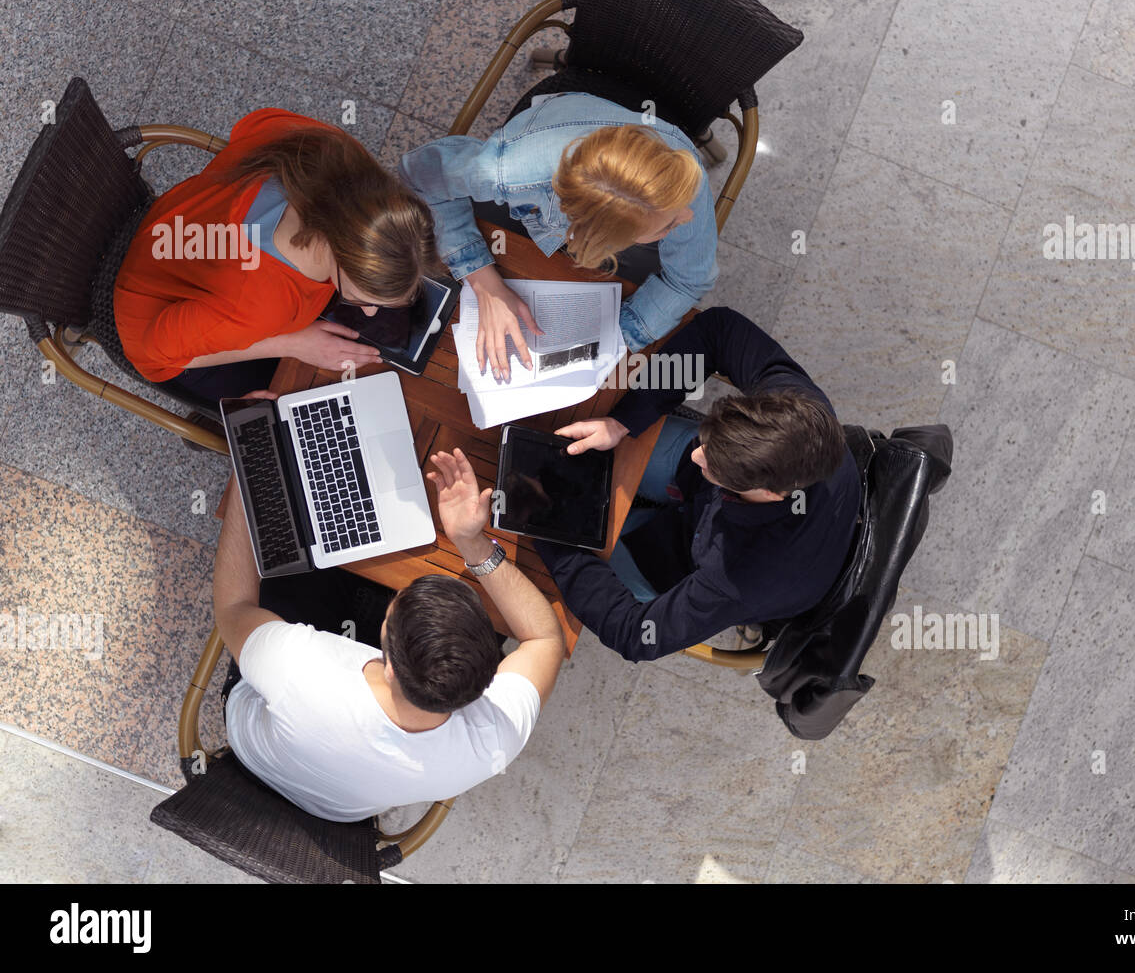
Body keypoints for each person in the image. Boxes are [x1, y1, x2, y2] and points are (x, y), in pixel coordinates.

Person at [213, 445, 564, 822]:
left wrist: (245, 468)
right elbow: (544, 639)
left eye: (394, 608)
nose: (398, 595)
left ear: (390, 666)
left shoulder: (300, 668)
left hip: (271, 713)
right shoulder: (492, 741)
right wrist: (471, 543)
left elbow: (233, 608)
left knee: (303, 540)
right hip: (339, 798)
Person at [532, 307, 862, 663]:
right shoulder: (798, 413)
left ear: (769, 493)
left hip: (681, 557)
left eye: (715, 464)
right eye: (710, 441)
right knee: (575, 443)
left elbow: (635, 635)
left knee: (550, 552)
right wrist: (623, 422)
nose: (697, 456)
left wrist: (548, 531)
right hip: (714, 506)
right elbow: (718, 329)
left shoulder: (739, 580)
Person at [114, 108, 436, 405]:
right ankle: (210, 423)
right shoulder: (259, 305)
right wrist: (290, 344)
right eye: (368, 298)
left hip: (175, 228)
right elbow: (149, 353)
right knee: (295, 404)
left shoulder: (340, 152)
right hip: (150, 311)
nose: (368, 311)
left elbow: (255, 124)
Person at [398, 91, 717, 381]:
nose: (689, 217)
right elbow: (421, 176)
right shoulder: (506, 174)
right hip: (547, 134)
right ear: (594, 238)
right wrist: (485, 284)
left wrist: (614, 340)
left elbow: (690, 279)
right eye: (668, 226)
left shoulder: (680, 171)